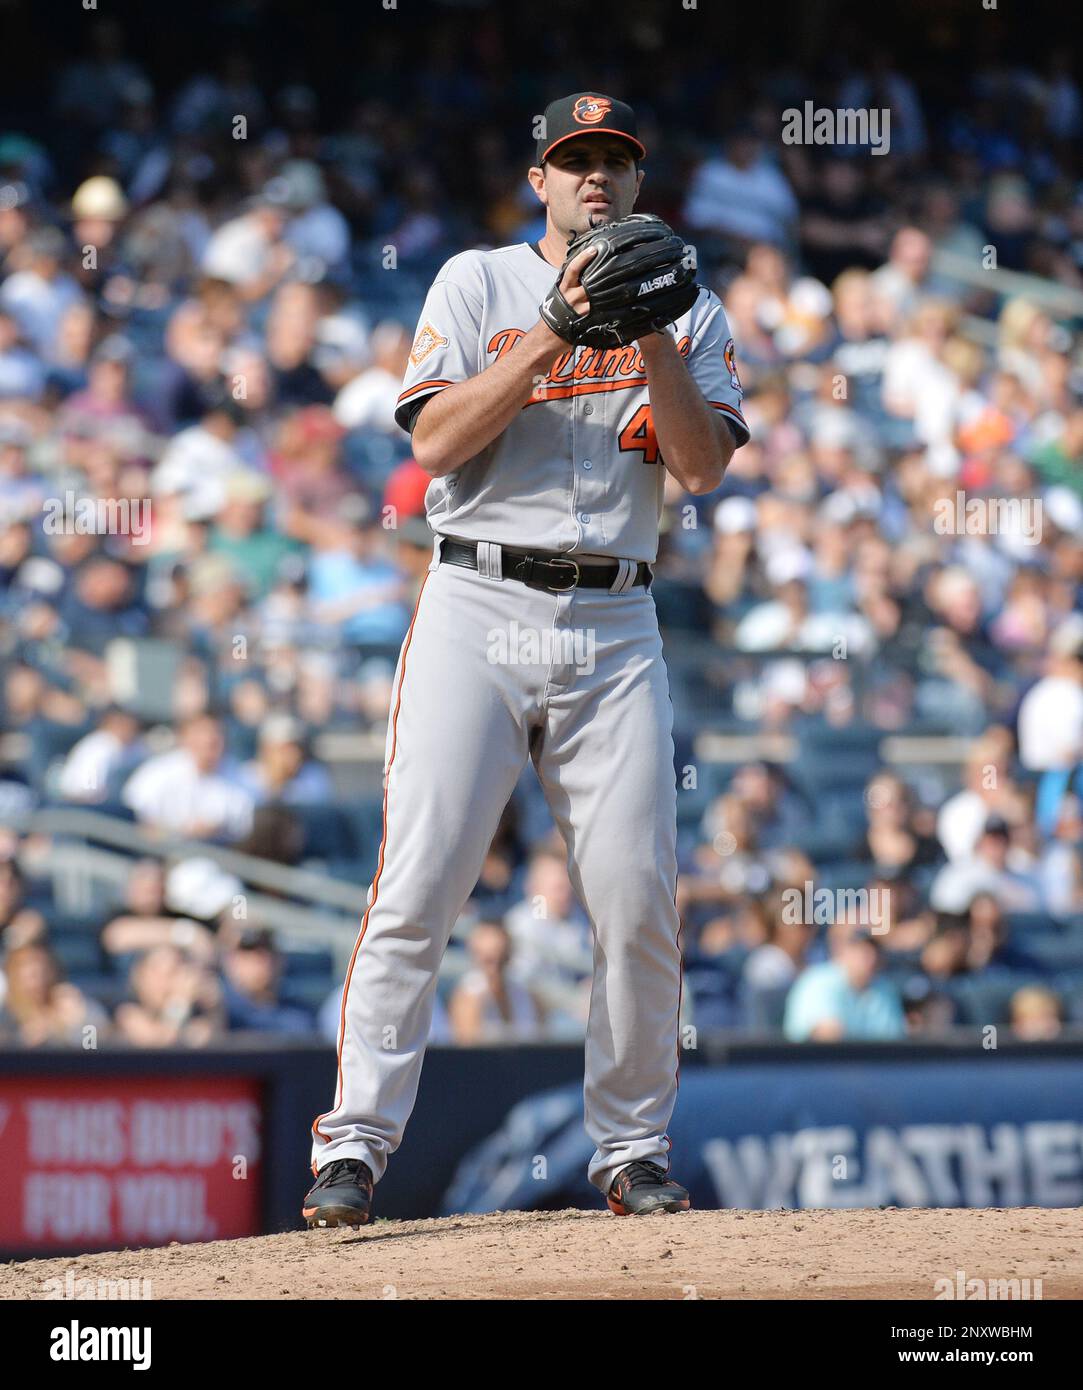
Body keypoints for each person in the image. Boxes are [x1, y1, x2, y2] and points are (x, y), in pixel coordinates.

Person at [304, 92, 747, 1228]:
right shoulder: (476, 282)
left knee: (638, 897)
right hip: (474, 596)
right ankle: (352, 1147)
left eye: (615, 159)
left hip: (614, 618)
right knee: (419, 883)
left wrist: (651, 336)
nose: (596, 176)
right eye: (575, 159)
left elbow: (700, 471)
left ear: (638, 181)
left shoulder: (688, 307)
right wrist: (556, 323)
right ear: (540, 179)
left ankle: (633, 1148)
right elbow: (436, 440)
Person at [783, 922, 906, 1042]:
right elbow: (828, 1038)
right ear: (839, 949)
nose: (871, 955)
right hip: (810, 1061)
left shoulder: (884, 987)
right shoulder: (819, 981)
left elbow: (893, 1041)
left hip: (867, 1061)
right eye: (860, 947)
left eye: (874, 948)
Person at [448, 920, 543, 1044]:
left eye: (501, 958)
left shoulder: (528, 995)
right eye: (488, 960)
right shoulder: (466, 998)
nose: (494, 968)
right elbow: (467, 1044)